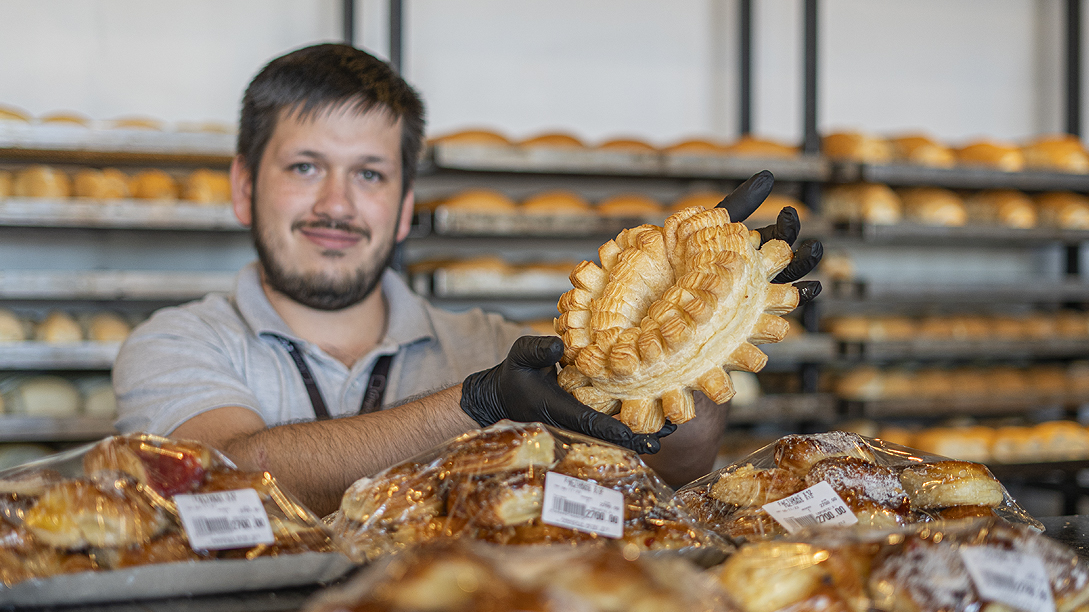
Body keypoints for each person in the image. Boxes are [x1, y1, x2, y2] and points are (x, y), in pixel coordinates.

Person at [113, 44, 821, 515]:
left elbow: (673, 464)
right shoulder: (175, 343)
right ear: (243, 188)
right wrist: (477, 403)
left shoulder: (487, 341)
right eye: (305, 167)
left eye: (369, 174)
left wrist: (699, 330)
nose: (336, 204)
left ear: (404, 208)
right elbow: (227, 476)